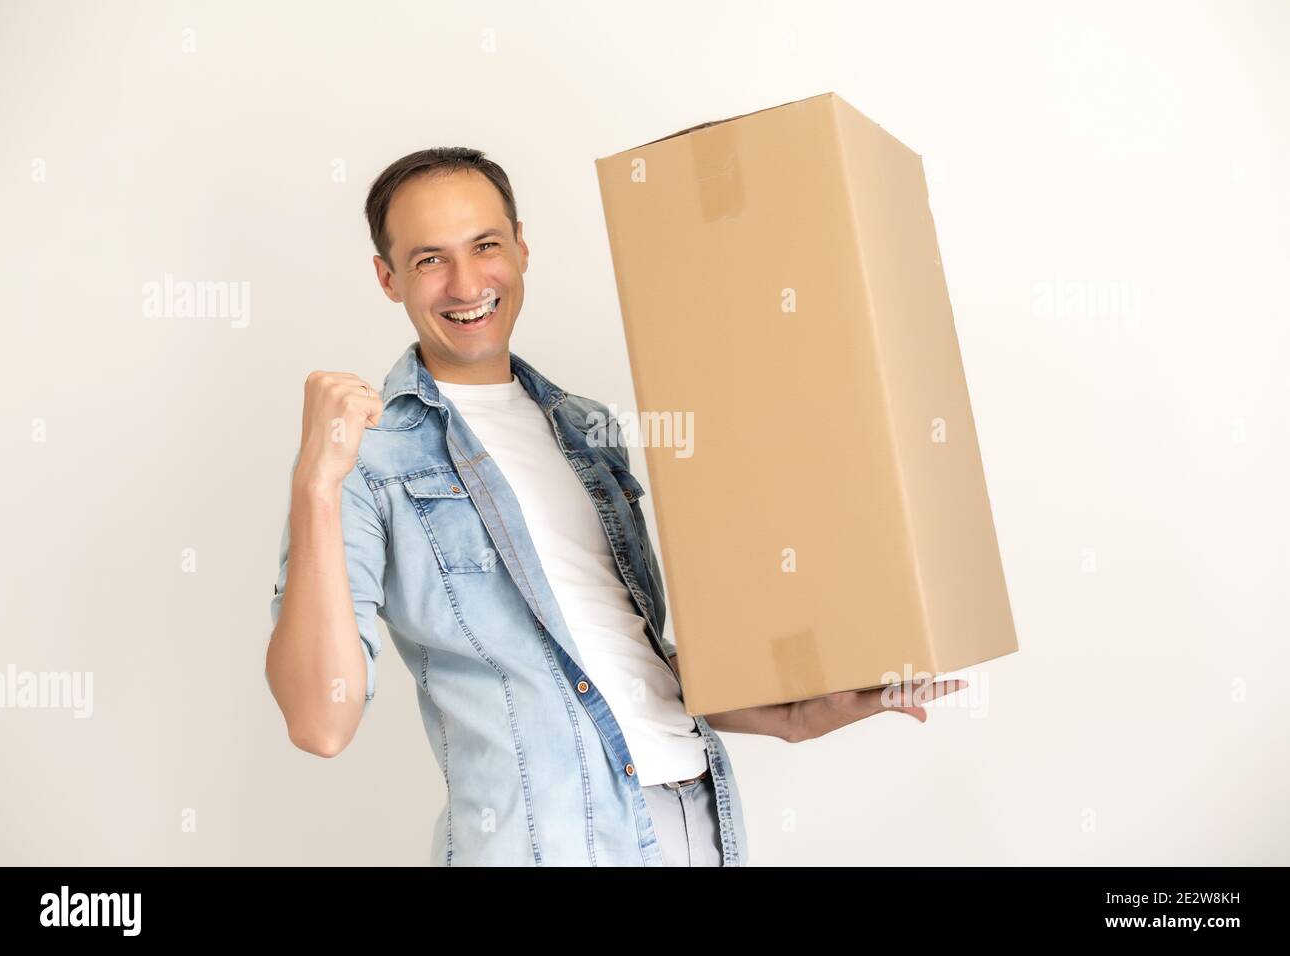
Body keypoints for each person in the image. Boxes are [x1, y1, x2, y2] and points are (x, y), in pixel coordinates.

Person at [264, 147, 965, 867]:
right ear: (388, 278)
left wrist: (794, 714)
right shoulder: (368, 457)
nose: (467, 282)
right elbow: (322, 722)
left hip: (699, 821)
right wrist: (315, 483)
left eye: (485, 245)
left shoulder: (586, 430)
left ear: (522, 245)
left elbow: (633, 660)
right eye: (428, 260)